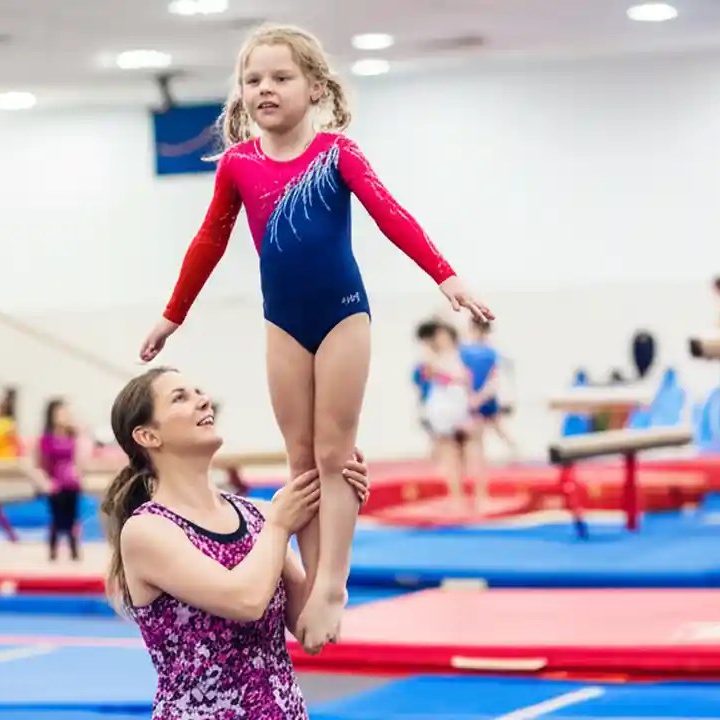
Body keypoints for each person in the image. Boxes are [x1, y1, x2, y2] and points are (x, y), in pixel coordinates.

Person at [137, 23, 493, 652]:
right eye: (252, 80)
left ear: (316, 87)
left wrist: (447, 276)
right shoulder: (240, 165)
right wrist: (174, 313)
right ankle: (305, 590)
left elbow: (392, 215)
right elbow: (208, 241)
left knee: (335, 453)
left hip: (343, 316)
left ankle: (333, 581)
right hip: (283, 322)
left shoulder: (337, 153)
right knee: (299, 460)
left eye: (280, 77)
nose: (264, 89)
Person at [102, 367, 370, 718]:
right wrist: (278, 526)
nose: (202, 400)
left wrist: (341, 511)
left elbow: (314, 628)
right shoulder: (147, 531)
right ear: (148, 436)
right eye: (180, 397)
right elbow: (244, 600)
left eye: (199, 391)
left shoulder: (256, 515)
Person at [419, 321, 490, 508]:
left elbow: (479, 379)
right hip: (443, 410)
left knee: (473, 452)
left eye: (444, 336)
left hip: (463, 407)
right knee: (450, 455)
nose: (441, 340)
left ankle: (480, 497)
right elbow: (426, 378)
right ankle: (456, 497)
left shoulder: (466, 355)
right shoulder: (431, 358)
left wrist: (477, 400)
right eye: (438, 337)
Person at [461, 318, 518, 462]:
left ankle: (515, 451)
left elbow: (497, 375)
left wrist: (482, 395)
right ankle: (480, 458)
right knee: (486, 427)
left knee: (494, 425)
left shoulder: (490, 351)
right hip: (475, 395)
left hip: (484, 395)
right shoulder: (467, 350)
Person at [38, 397, 84, 561]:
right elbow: (43, 463)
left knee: (73, 518)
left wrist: (78, 472)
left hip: (72, 482)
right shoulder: (47, 438)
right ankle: (53, 550)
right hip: (56, 484)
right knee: (57, 519)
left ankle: (74, 551)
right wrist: (47, 482)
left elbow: (79, 457)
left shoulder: (72, 436)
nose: (64, 417)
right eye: (60, 413)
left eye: (65, 413)